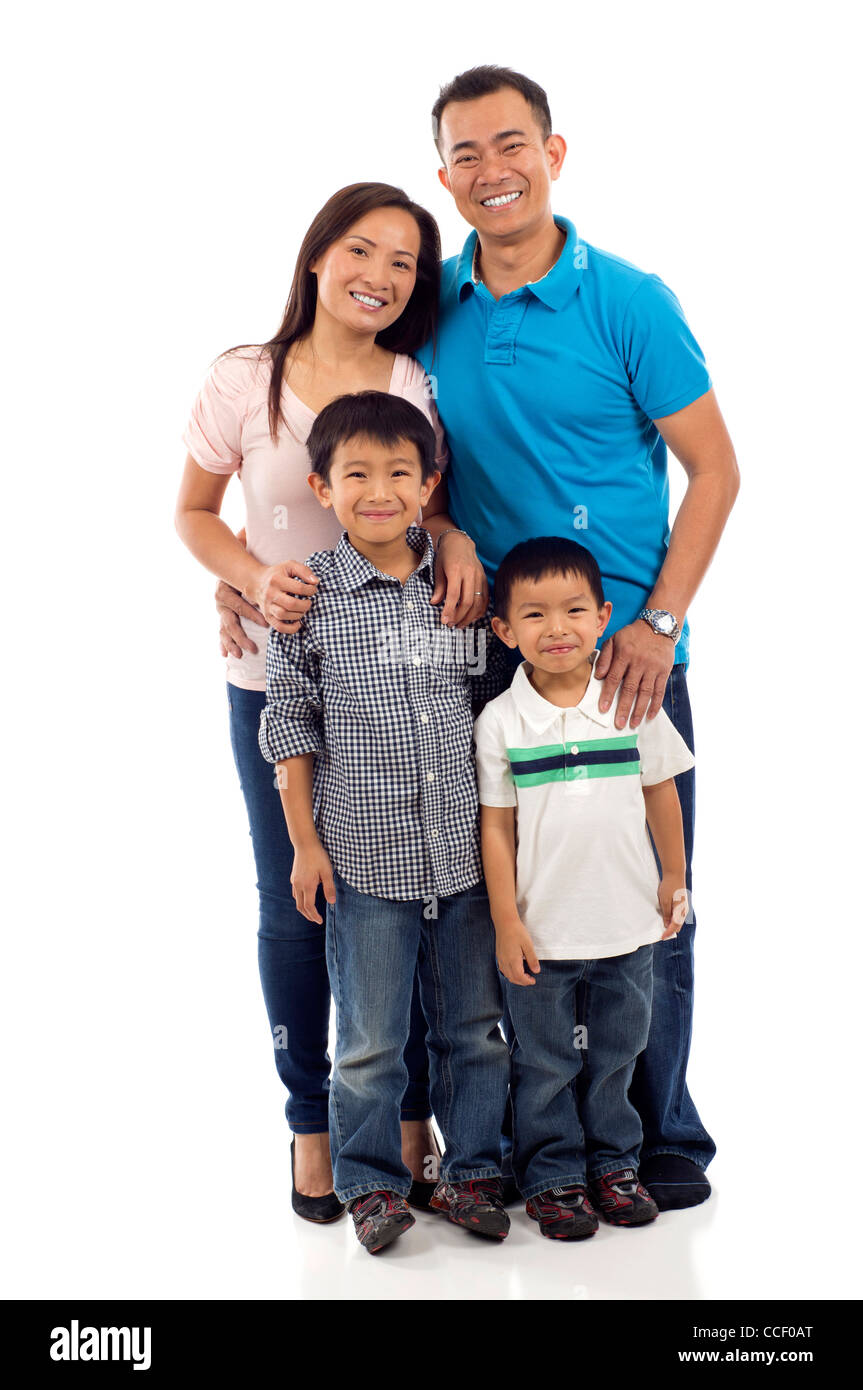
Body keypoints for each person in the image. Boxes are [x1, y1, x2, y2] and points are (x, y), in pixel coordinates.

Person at [414, 65, 740, 1208]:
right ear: (442, 172)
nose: (488, 171)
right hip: (487, 649)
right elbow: (403, 456)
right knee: (501, 901)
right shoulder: (433, 303)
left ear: (555, 154)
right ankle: (525, 1148)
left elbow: (714, 470)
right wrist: (445, 524)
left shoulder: (628, 299)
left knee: (652, 897)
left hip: (619, 651)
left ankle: (656, 1142)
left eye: (509, 145)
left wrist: (659, 619)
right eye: (463, 153)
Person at [175, 183, 485, 1221]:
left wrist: (459, 542)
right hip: (278, 679)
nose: (382, 277)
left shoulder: (411, 374)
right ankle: (312, 1127)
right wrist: (245, 578)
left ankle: (406, 1128)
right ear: (316, 256)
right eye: (363, 251)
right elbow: (193, 510)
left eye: (404, 263)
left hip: (403, 678)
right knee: (300, 903)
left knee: (417, 899)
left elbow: (429, 502)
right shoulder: (242, 378)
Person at [258, 390, 512, 1254]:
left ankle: (472, 1171)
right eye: (356, 474)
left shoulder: (458, 587)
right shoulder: (308, 598)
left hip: (467, 860)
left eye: (400, 472)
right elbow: (288, 722)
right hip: (365, 862)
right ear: (321, 489)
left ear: (428, 481)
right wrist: (303, 843)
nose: (380, 490)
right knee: (368, 1039)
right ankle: (369, 1183)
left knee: (473, 1030)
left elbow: (492, 713)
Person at [475, 537, 696, 1239]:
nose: (558, 628)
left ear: (603, 615)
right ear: (504, 631)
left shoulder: (631, 705)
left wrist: (673, 877)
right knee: (540, 1063)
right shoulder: (502, 722)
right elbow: (497, 830)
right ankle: (551, 1175)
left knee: (616, 1055)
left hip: (626, 925)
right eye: (534, 616)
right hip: (542, 932)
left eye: (574, 610)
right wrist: (506, 921)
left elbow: (662, 793)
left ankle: (614, 1165)